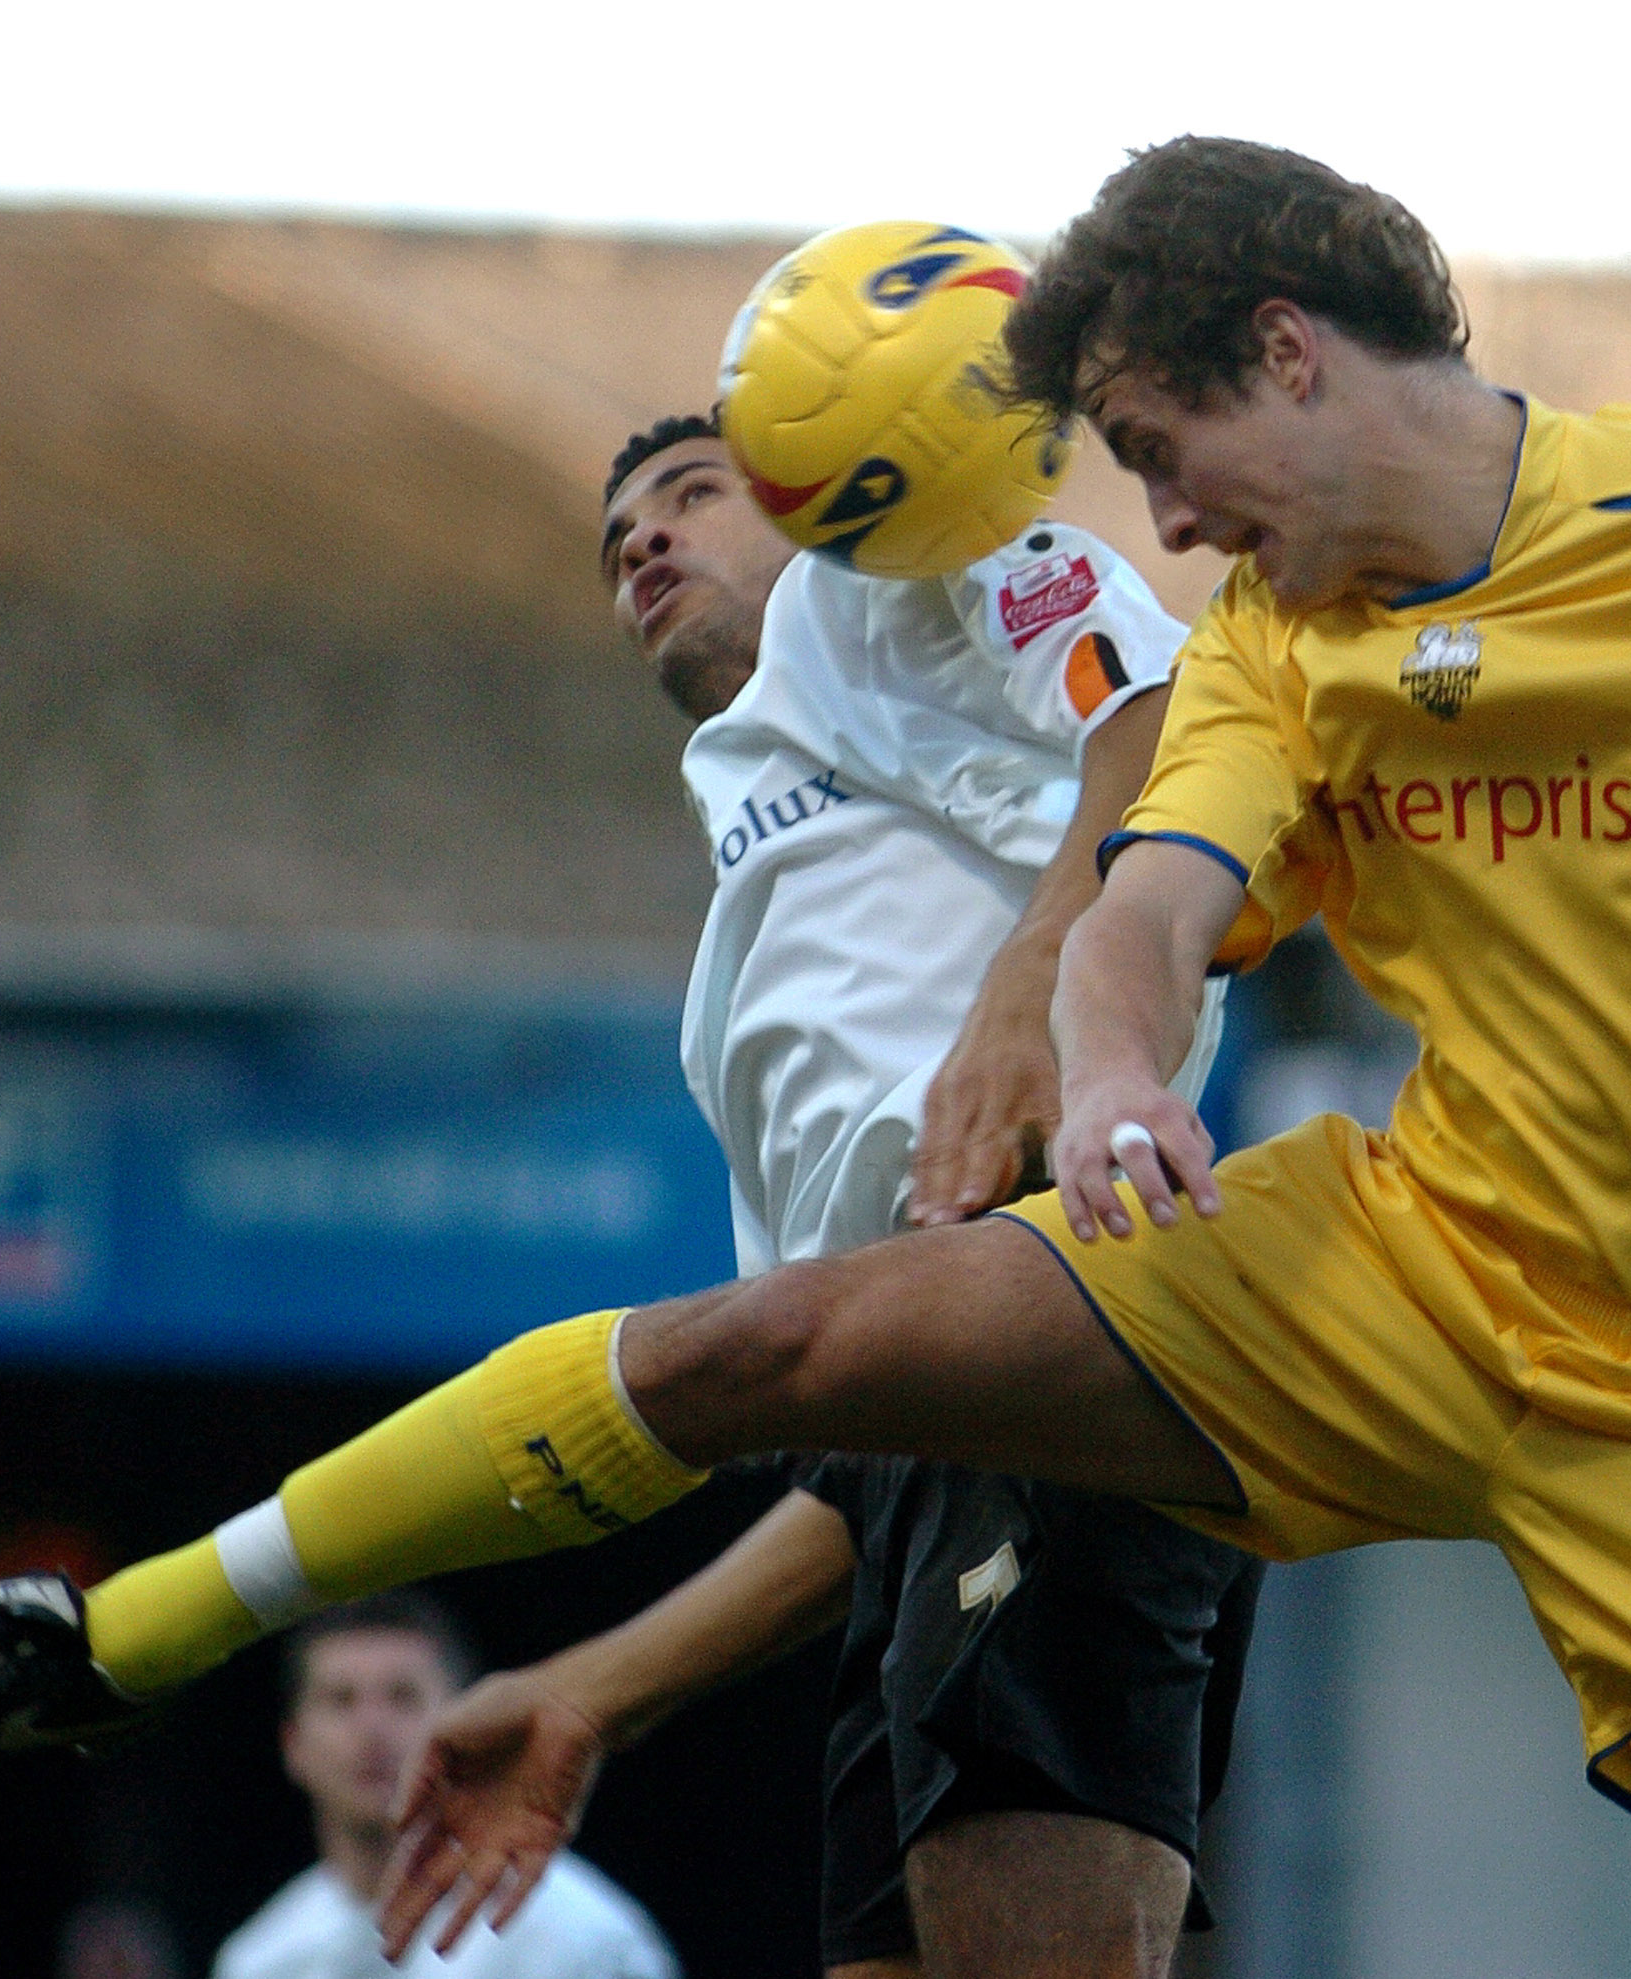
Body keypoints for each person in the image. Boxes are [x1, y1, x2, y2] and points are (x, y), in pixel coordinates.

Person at [0, 137, 1631, 1979]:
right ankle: (110, 1634)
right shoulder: (1282, 653)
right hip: (1402, 1270)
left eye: (1178, 458)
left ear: (1286, 358)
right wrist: (1098, 1072)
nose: (1170, 530)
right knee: (792, 1344)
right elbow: (1148, 906)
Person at [370, 415, 1259, 1979]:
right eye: (617, 536)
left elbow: (1175, 719)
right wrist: (599, 1685)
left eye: (692, 496)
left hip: (1072, 1317)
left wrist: (1028, 987)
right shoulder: (745, 968)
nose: (643, 539)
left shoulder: (914, 584)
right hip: (949, 1441)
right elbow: (866, 1449)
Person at [214, 1593, 675, 1979]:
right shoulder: (259, 1960)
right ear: (293, 1744)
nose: (372, 1728)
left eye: (403, 1696)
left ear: (469, 1724)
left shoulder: (579, 1937)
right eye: (340, 1701)